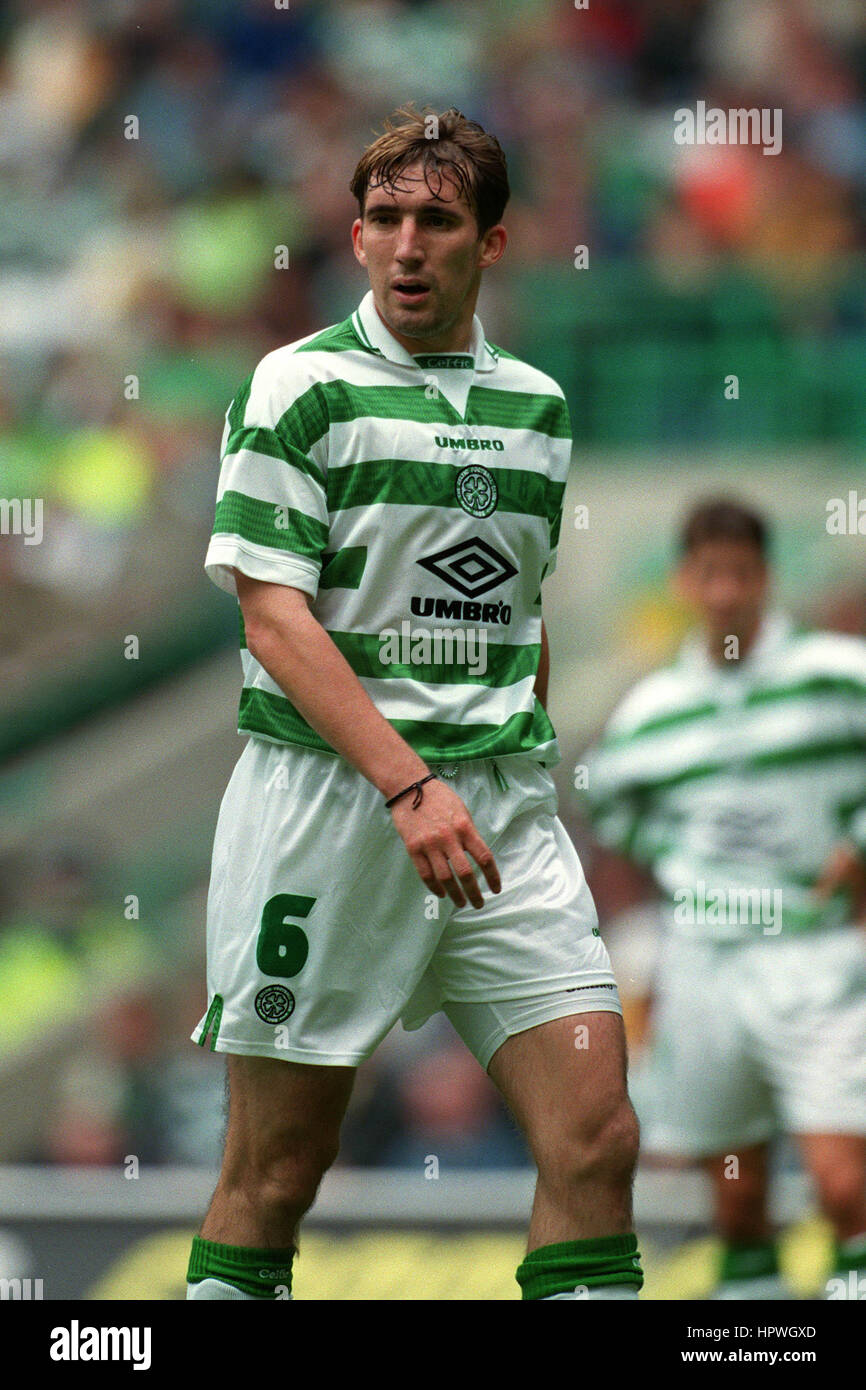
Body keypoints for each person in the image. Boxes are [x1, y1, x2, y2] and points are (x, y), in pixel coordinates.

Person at [185, 104, 641, 1302]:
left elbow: (522, 615)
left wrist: (509, 769)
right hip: (334, 808)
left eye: (435, 221)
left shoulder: (536, 407)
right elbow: (273, 620)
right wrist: (408, 783)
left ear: (490, 243)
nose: (404, 244)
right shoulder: (297, 385)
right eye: (382, 219)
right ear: (353, 235)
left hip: (495, 815)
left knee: (597, 1136)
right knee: (276, 1170)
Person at [584, 497, 866, 1299]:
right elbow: (608, 804)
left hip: (815, 957)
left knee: (845, 1187)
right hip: (705, 965)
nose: (724, 593)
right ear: (684, 581)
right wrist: (677, 861)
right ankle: (756, 1347)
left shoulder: (836, 673)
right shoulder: (651, 712)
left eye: (740, 574)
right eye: (709, 575)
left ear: (766, 578)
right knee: (738, 1204)